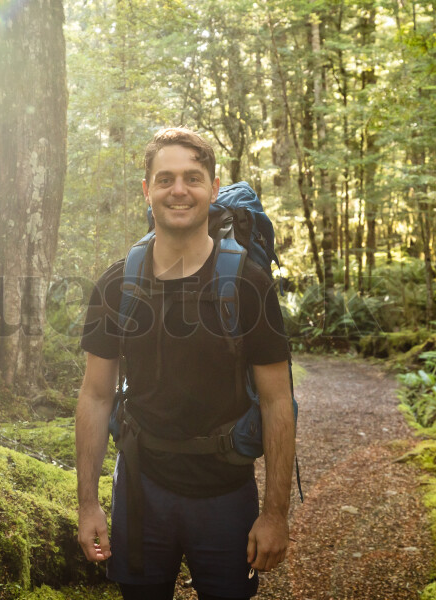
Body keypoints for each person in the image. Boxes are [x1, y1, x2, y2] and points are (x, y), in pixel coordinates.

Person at [75, 127, 295, 600]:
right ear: (147, 190)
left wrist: (275, 514)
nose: (179, 190)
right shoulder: (116, 286)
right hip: (140, 487)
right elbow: (95, 394)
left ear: (213, 189)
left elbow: (279, 402)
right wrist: (88, 504)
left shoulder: (249, 285)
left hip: (226, 495)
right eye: (165, 178)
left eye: (193, 178)